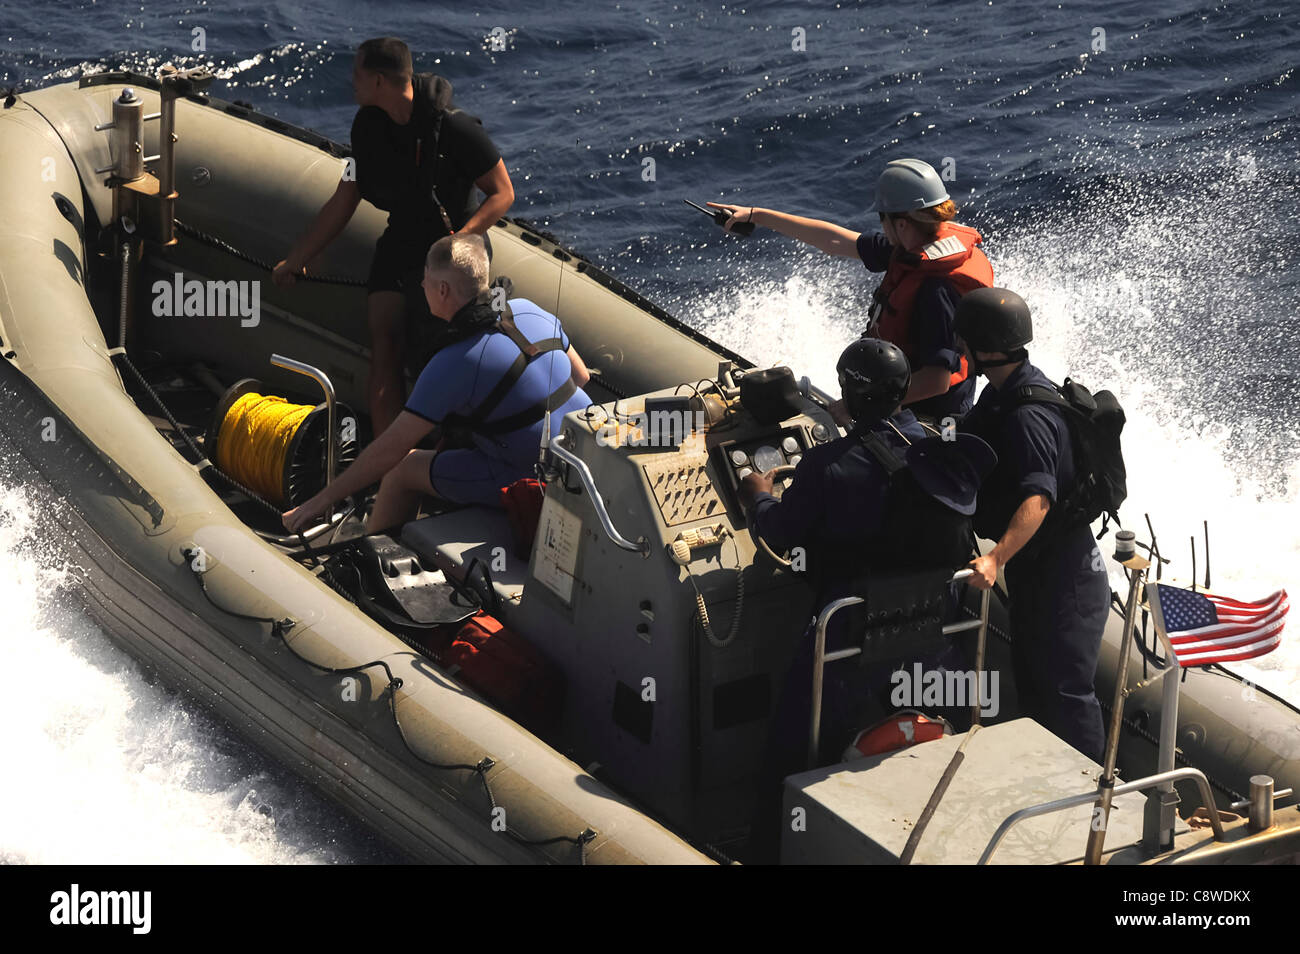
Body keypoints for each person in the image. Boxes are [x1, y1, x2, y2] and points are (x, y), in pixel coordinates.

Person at [738, 338, 993, 862]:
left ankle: (768, 850)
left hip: (849, 639)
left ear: (848, 395)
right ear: (904, 391)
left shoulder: (826, 464)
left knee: (791, 746)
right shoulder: (943, 450)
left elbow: (782, 533)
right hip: (936, 629)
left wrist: (758, 495)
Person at [273, 37, 515, 434]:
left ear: (381, 81)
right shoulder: (368, 127)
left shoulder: (454, 127)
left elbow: (503, 192)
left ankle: (441, 451)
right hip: (404, 237)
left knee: (442, 353)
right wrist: (297, 258)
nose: (351, 82)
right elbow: (346, 195)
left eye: (358, 74)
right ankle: (391, 463)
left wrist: (457, 243)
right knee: (383, 336)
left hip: (454, 244)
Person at [282, 234, 590, 535]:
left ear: (442, 290)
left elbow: (389, 451)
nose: (421, 285)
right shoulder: (528, 308)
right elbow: (581, 377)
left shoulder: (454, 361)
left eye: (425, 279)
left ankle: (367, 562)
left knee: (402, 470)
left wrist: (316, 503)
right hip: (589, 455)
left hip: (535, 475)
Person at [708, 158, 993, 421]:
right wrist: (757, 215)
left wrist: (862, 404)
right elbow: (834, 241)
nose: (881, 225)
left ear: (902, 223)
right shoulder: (910, 248)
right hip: (895, 406)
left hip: (927, 422)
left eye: (883, 218)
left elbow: (936, 380)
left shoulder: (936, 290)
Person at [955, 287, 1109, 763]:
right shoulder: (1002, 391)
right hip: (1039, 572)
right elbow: (965, 438)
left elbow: (1038, 499)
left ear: (981, 349)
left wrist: (995, 557)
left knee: (1065, 692)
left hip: (1065, 577)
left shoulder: (1027, 415)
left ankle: (1091, 803)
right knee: (1037, 684)